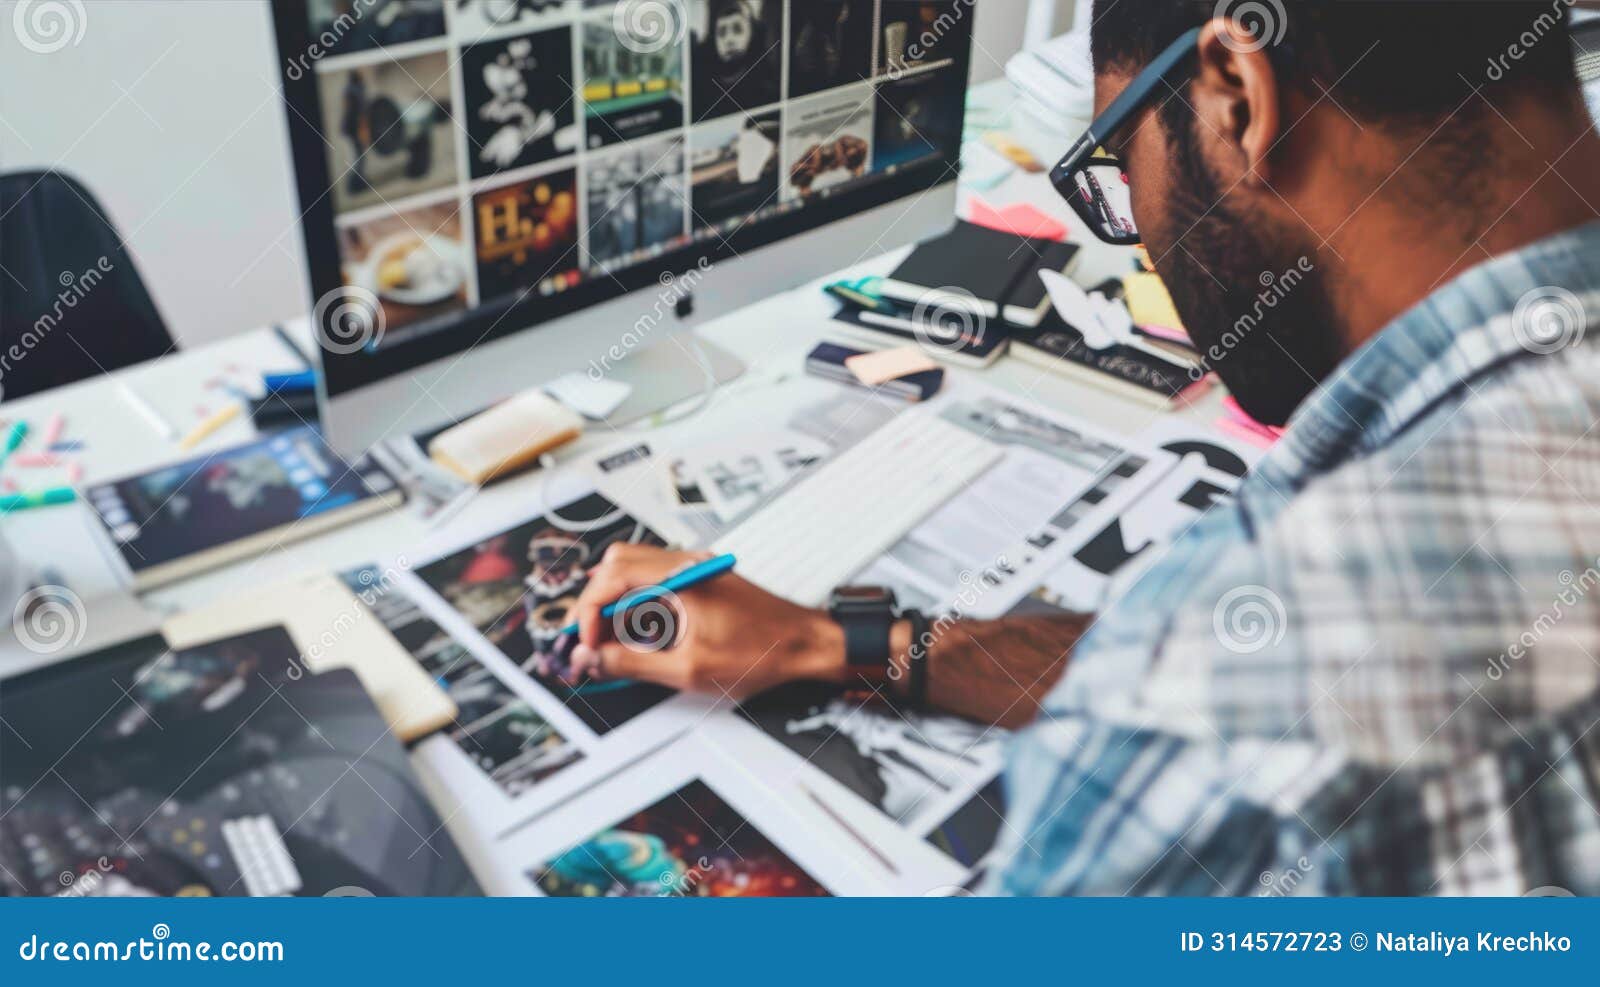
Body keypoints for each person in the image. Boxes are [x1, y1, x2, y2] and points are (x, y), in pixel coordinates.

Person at [566, 1, 1600, 895]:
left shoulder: (1249, 680)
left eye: (1113, 160)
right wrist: (825, 644)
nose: (1138, 228)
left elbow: (1231, 695)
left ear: (1236, 94)